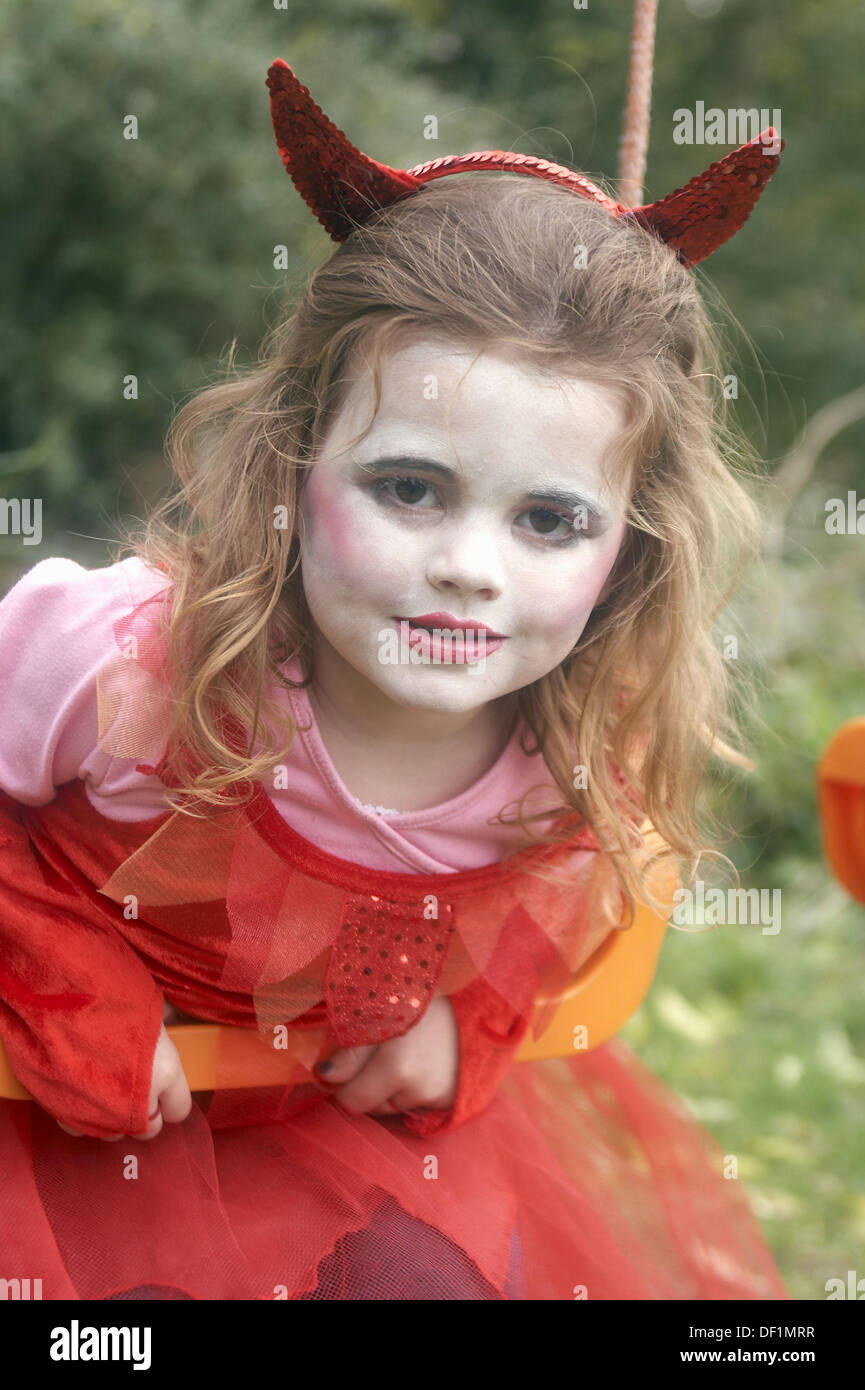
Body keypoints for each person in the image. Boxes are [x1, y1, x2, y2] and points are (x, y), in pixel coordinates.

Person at [0, 63, 788, 1299]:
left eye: (548, 519)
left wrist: (458, 1024)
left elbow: (536, 931)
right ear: (293, 461)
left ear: (630, 545)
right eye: (408, 487)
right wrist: (60, 984)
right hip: (38, 1119)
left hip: (299, 1135)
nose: (468, 568)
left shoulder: (565, 754)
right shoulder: (115, 664)